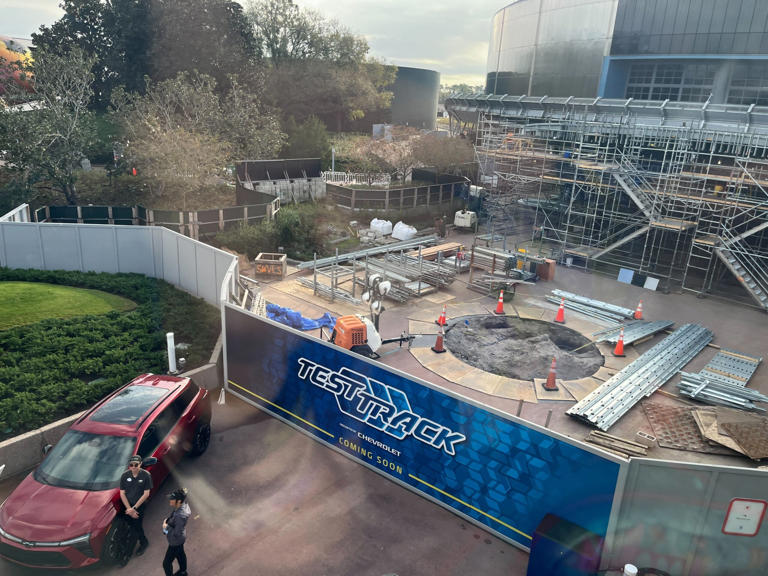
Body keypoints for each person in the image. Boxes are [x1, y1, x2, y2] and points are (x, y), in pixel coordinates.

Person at [119, 455, 152, 560]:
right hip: (128, 506)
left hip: (140, 506)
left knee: (135, 527)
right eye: (131, 465)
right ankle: (144, 541)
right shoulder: (124, 476)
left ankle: (127, 555)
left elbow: (146, 494)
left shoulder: (146, 475)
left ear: (140, 464)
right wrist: (129, 508)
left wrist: (134, 509)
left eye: (136, 465)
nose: (133, 467)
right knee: (132, 526)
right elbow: (122, 493)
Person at [162, 487, 190, 576]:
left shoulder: (180, 515)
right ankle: (183, 572)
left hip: (175, 542)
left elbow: (176, 533)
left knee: (166, 564)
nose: (170, 500)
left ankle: (183, 572)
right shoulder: (181, 507)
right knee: (180, 554)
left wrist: (165, 528)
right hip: (179, 539)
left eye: (172, 499)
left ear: (179, 501)